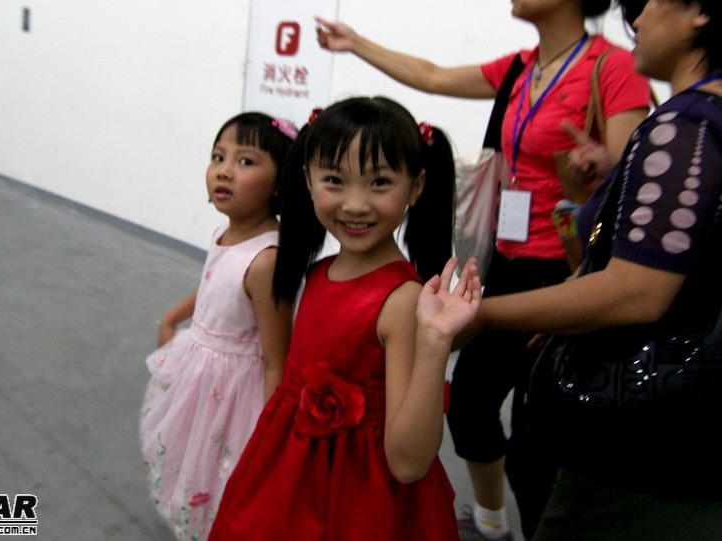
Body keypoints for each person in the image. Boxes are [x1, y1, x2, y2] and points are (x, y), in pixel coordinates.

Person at [315, 3, 652, 539]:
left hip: (568, 272)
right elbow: (431, 76)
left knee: (537, 440)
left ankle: (538, 525)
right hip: (507, 263)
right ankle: (493, 520)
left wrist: (606, 163)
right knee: (468, 405)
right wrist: (355, 43)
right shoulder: (521, 67)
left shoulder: (609, 67)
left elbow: (635, 170)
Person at [454, 0, 722, 539]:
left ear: (698, 11)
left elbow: (636, 291)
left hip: (647, 449)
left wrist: (479, 315)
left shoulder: (686, 122)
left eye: (647, 5)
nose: (638, 22)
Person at [208, 96, 482, 540]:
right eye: (335, 180)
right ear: (308, 180)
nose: (355, 204)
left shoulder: (401, 300)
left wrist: (433, 340)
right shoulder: (317, 272)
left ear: (416, 187)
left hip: (360, 502)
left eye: (379, 183)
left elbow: (409, 463)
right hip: (286, 481)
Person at [139, 112, 296, 541]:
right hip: (201, 373)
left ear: (280, 182)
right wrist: (175, 316)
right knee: (193, 467)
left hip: (235, 394)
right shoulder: (225, 234)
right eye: (218, 156)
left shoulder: (267, 260)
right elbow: (214, 283)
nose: (224, 170)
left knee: (226, 475)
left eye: (246, 161)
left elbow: (276, 358)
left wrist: (270, 436)